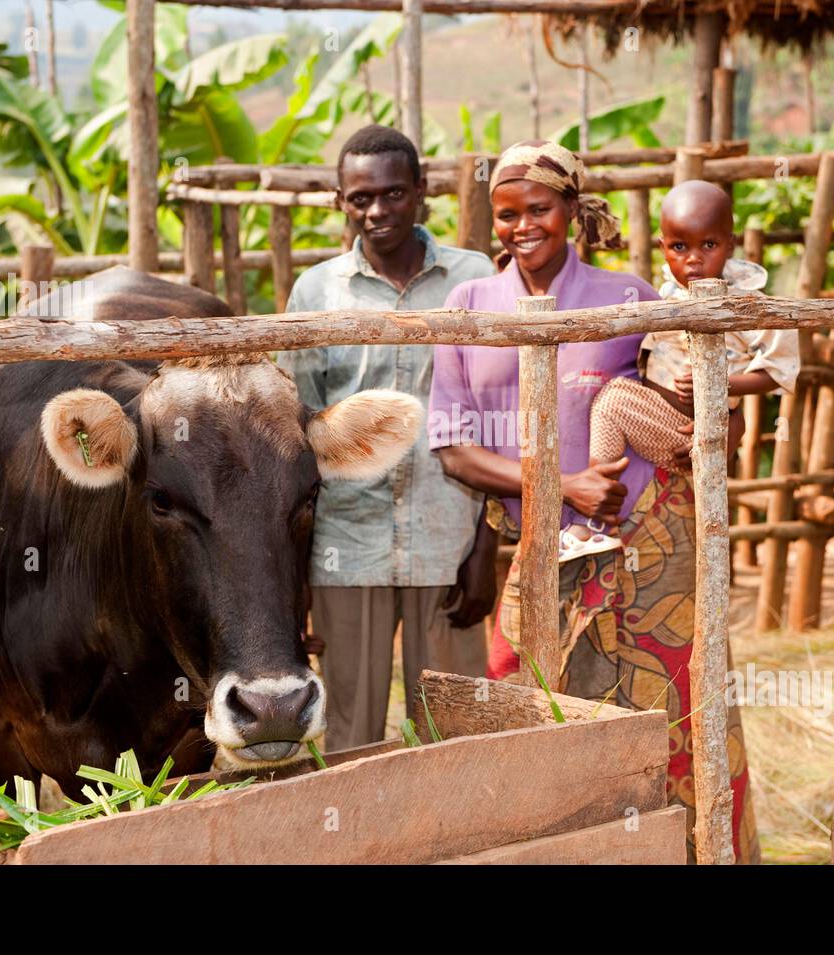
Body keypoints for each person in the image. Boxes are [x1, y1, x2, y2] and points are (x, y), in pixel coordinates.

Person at [429, 143, 760, 862]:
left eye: (540, 210)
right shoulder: (469, 307)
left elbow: (695, 404)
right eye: (508, 214)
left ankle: (697, 853)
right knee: (526, 700)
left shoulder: (631, 296)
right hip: (548, 546)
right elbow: (453, 448)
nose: (522, 227)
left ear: (573, 212)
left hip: (651, 540)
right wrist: (560, 485)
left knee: (676, 713)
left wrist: (715, 407)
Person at [276, 125, 498, 752]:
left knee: (456, 732)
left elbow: (495, 412)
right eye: (361, 198)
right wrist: (294, 584)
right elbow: (297, 440)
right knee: (351, 733)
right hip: (346, 547)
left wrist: (486, 547)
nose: (378, 211)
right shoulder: (315, 293)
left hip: (449, 538)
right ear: (339, 201)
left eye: (394, 193)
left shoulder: (472, 280)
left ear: (422, 192)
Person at [569, 179, 799, 558]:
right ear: (663, 248)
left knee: (612, 400)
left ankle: (595, 518)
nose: (693, 258)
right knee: (613, 398)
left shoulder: (749, 306)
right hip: (667, 430)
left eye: (708, 245)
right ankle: (602, 511)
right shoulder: (663, 300)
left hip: (698, 432)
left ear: (731, 244)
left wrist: (722, 386)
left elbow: (779, 371)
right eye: (680, 247)